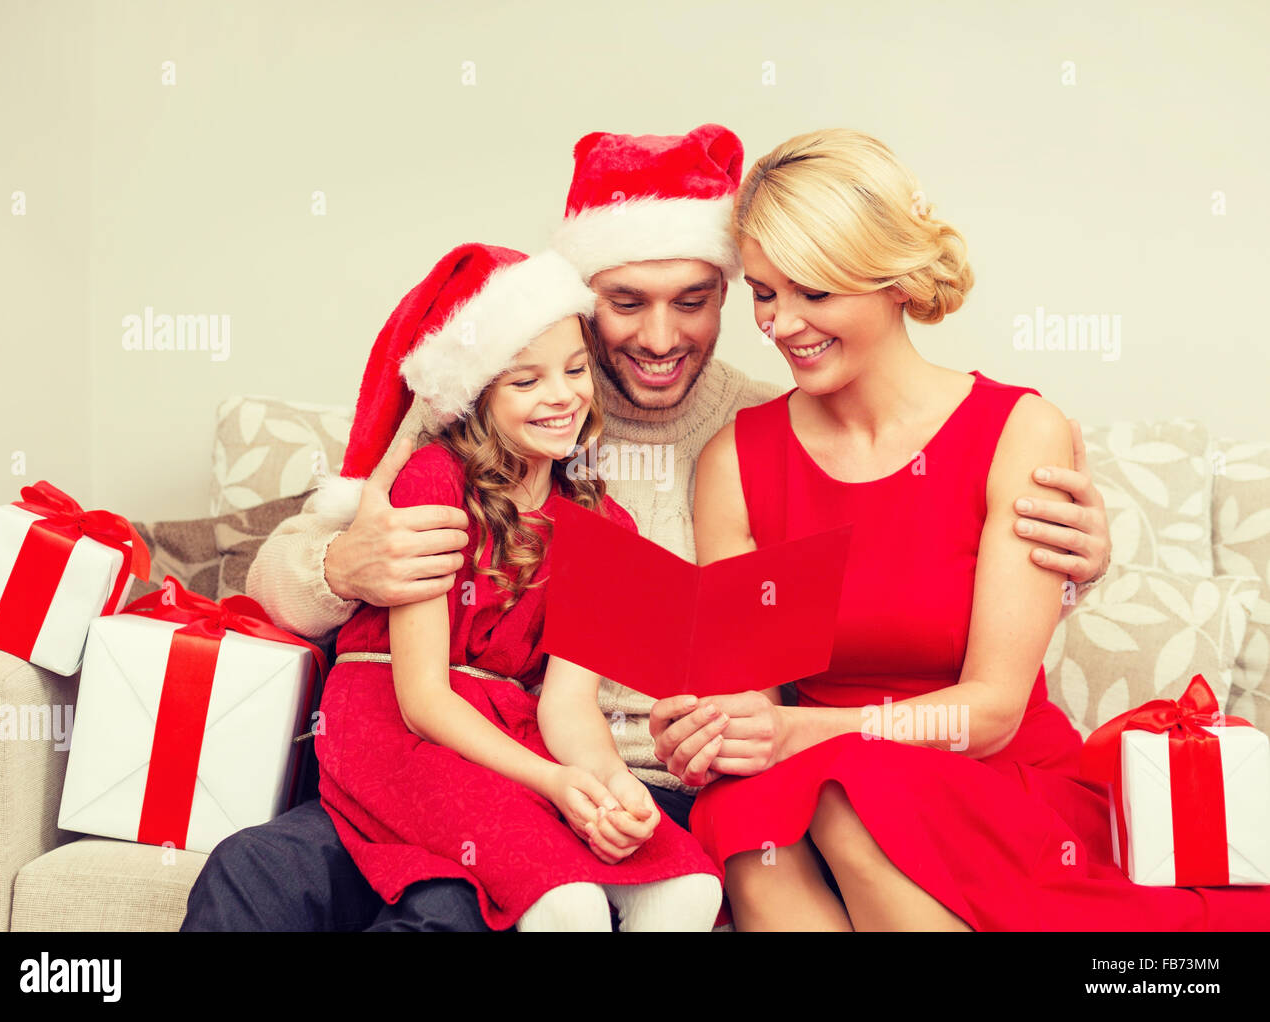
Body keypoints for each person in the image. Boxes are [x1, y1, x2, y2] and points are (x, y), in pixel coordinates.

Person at [181, 125, 1113, 932]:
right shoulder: (477, 409)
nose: (660, 337)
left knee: (462, 908)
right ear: (577, 302)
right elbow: (276, 585)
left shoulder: (747, 434)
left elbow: (832, 623)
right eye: (625, 303)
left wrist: (1063, 574)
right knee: (258, 874)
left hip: (632, 782)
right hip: (440, 758)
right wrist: (342, 564)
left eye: (697, 299)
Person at [664, 127, 1270, 931]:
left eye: (815, 292)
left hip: (982, 775)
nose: (781, 324)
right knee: (746, 819)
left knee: (846, 792)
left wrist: (799, 732)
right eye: (766, 294)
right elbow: (750, 692)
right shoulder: (736, 459)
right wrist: (719, 730)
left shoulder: (1017, 430)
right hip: (809, 778)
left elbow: (988, 713)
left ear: (893, 282)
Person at [315, 243, 722, 931]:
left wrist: (610, 787)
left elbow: (567, 707)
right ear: (477, 395)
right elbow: (422, 702)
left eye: (573, 371)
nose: (562, 396)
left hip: (515, 730)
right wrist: (555, 784)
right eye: (525, 382)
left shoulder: (604, 522)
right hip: (399, 729)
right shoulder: (433, 481)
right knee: (566, 900)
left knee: (686, 887)